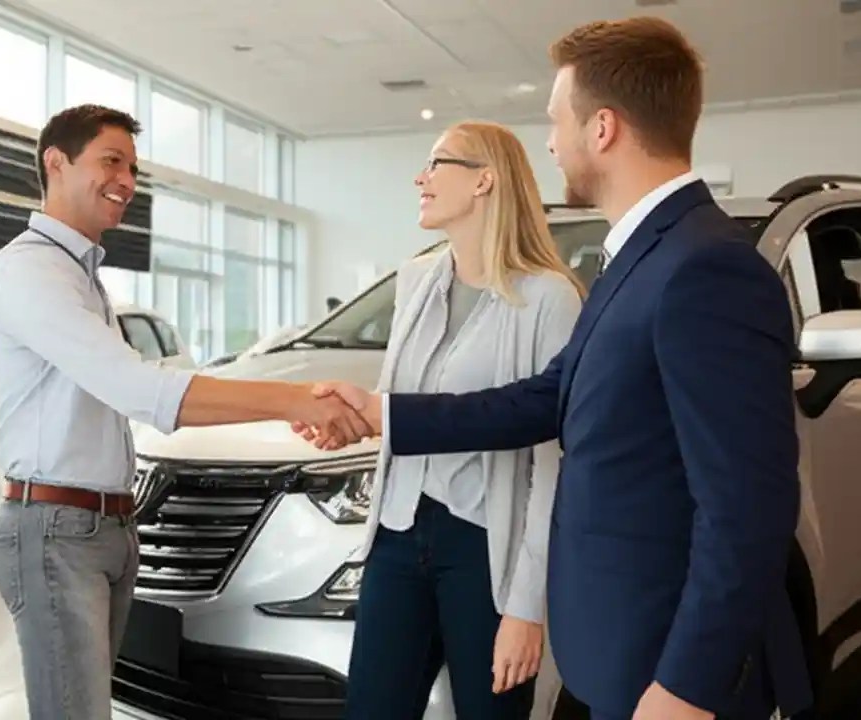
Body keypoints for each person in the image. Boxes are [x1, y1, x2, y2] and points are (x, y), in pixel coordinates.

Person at [298, 17, 812, 720]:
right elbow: (542, 400)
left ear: (602, 128)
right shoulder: (637, 260)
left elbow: (749, 507)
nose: (550, 142)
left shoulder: (706, 266)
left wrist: (690, 685)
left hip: (667, 672)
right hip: (619, 651)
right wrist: (380, 411)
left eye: (556, 120)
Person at [0, 103, 370, 720]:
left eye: (132, 167)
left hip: (105, 526)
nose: (127, 181)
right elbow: (142, 391)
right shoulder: (31, 271)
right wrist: (294, 399)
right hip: (54, 528)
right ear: (56, 163)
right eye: (111, 161)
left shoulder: (82, 276)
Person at [343, 121, 583, 720]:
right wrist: (349, 419)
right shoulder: (415, 281)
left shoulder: (551, 298)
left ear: (485, 180)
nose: (420, 178)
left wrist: (528, 608)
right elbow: (399, 402)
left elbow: (553, 467)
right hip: (397, 537)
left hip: (481, 548)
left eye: (436, 163)